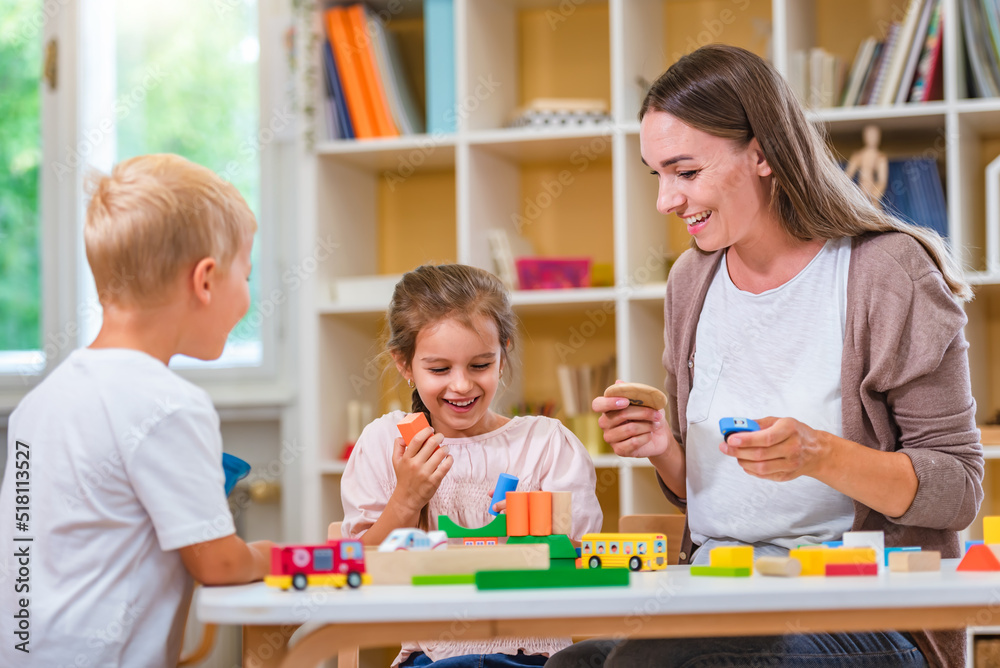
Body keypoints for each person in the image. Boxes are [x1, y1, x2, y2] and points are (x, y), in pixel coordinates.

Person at [547, 44, 982, 668]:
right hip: (717, 594)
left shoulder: (887, 273)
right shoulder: (691, 282)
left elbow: (958, 489)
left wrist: (820, 454)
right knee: (574, 665)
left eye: (686, 172)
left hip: (862, 611)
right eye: (657, 175)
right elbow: (710, 499)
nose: (667, 201)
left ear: (762, 154)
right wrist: (663, 448)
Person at [0, 154, 275, 667]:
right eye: (248, 274)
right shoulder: (170, 404)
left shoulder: (41, 403)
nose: (247, 298)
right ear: (206, 280)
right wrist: (272, 555)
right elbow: (217, 563)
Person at [340, 264, 603, 667]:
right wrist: (406, 500)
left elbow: (583, 564)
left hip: (535, 656)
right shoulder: (384, 442)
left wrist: (538, 532)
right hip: (433, 657)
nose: (461, 385)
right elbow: (360, 570)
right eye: (440, 369)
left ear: (503, 354)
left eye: (480, 365)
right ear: (404, 364)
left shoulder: (546, 443)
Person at [845, 124, 889, 207]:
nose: (872, 138)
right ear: (864, 136)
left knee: (874, 213)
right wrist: (852, 194)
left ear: (879, 137)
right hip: (860, 193)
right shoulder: (858, 156)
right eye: (869, 135)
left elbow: (882, 181)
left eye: (875, 135)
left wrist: (875, 195)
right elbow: (847, 176)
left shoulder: (881, 157)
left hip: (873, 194)